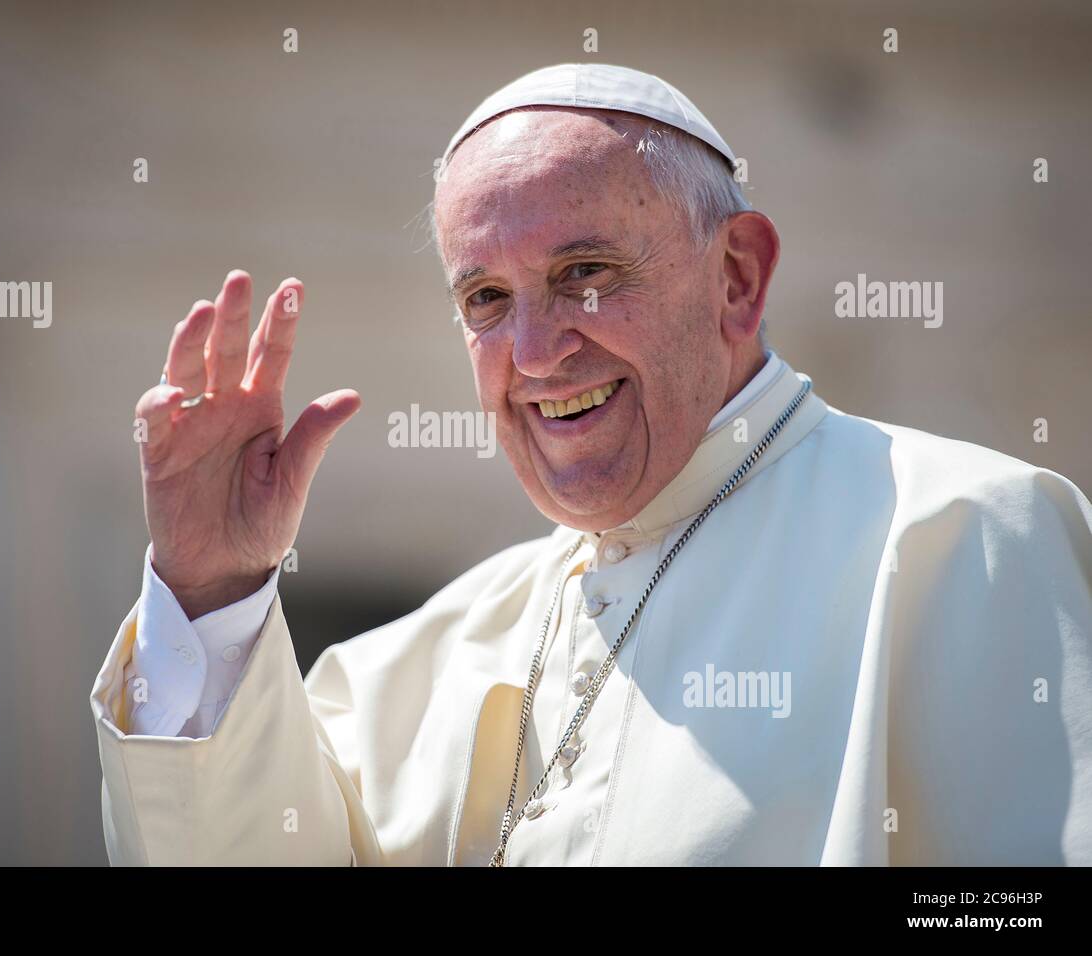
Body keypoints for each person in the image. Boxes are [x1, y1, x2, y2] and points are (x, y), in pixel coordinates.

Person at [89, 63, 1092, 865]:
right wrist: (213, 588)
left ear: (736, 278)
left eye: (584, 273)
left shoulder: (960, 536)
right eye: (485, 298)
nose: (533, 353)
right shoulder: (418, 658)